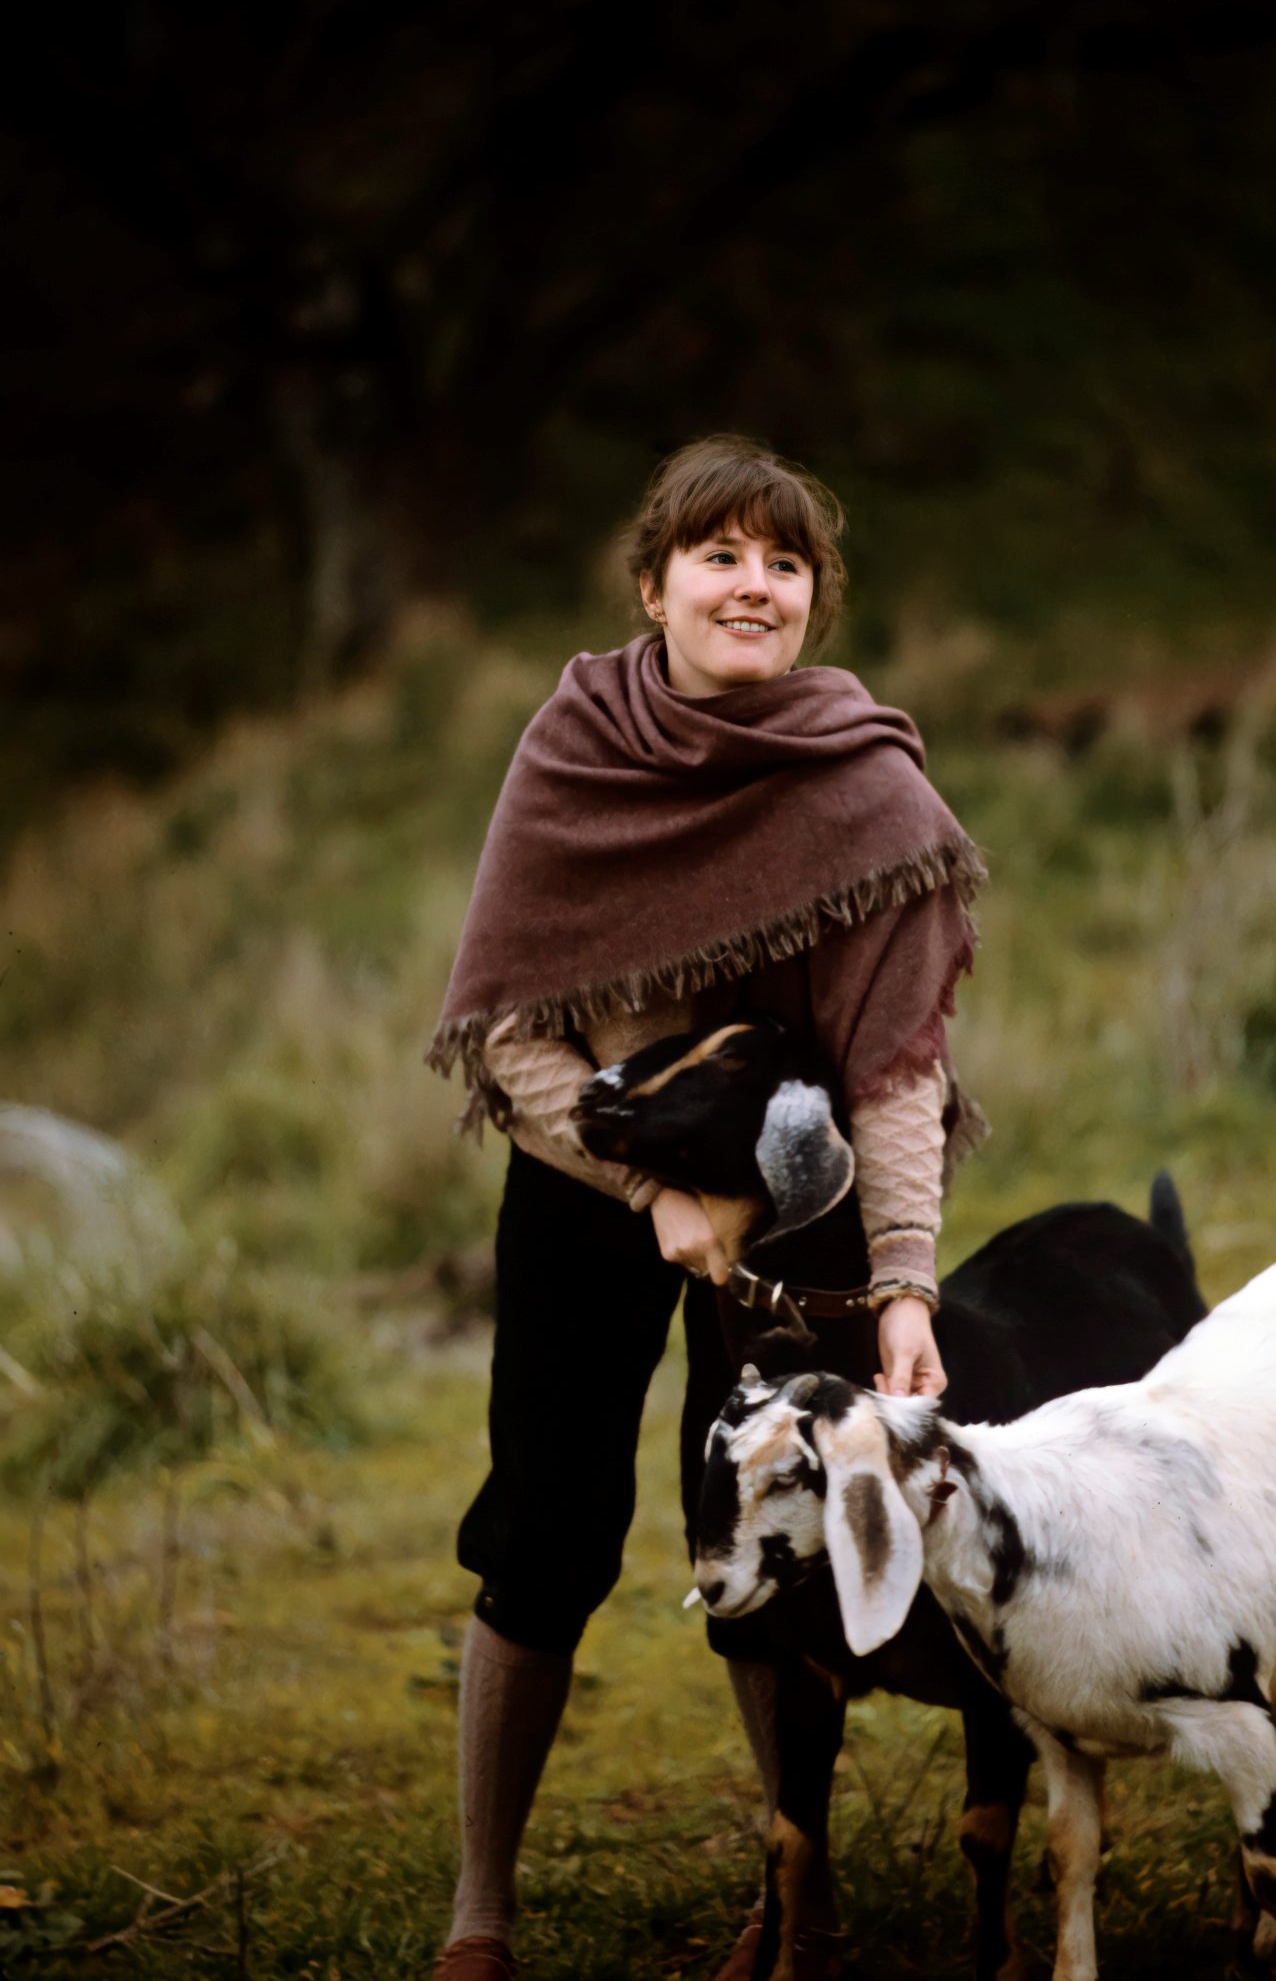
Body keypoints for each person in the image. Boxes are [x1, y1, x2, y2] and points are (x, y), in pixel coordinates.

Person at [425, 436, 985, 1981]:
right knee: (544, 1533)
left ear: (815, 597)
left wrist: (905, 1285)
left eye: (784, 563)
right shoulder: (573, 750)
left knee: (764, 1536)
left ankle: (797, 1893)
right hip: (584, 1184)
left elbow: (896, 1069)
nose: (754, 585)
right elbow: (515, 1036)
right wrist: (651, 1186)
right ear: (654, 582)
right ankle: (483, 1907)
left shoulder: (867, 789)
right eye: (722, 556)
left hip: (801, 1193)